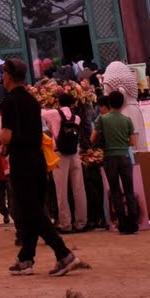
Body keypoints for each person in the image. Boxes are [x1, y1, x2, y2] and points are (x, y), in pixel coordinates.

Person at [0, 57, 80, 278]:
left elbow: (6, 136)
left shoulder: (9, 101)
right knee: (31, 209)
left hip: (21, 162)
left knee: (32, 211)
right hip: (38, 160)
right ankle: (26, 258)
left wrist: (2, 144)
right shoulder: (32, 101)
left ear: (7, 76)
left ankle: (63, 254)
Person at [92, 90, 139, 231]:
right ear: (122, 104)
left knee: (115, 190)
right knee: (129, 190)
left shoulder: (102, 119)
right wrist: (122, 142)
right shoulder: (127, 120)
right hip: (125, 156)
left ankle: (122, 223)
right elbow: (132, 142)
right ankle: (133, 223)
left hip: (110, 157)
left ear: (109, 103)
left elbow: (92, 139)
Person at [52, 91, 87, 234]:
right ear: (72, 104)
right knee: (79, 188)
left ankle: (66, 224)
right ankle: (81, 223)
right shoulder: (77, 118)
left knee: (61, 191)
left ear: (58, 103)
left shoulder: (54, 114)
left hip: (60, 154)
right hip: (74, 153)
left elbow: (39, 112)